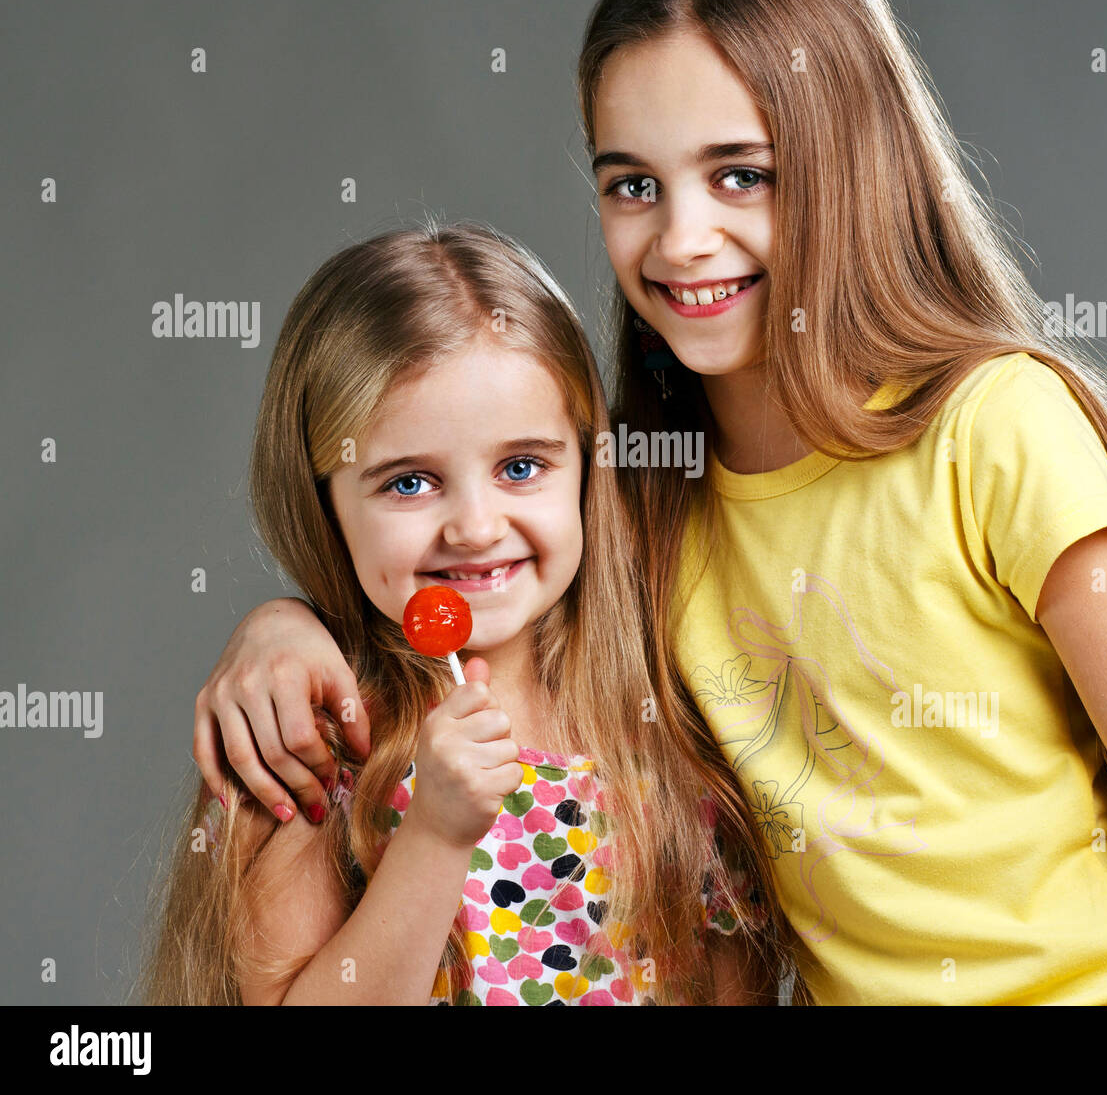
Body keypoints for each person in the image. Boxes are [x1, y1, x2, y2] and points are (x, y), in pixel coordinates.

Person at [185, 0, 1107, 1005]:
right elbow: (456, 577)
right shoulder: (648, 495)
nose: (681, 240)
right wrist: (277, 631)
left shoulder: (995, 429)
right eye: (632, 184)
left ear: (850, 160)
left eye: (741, 175)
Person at [144, 221, 787, 1005]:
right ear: (323, 504)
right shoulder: (313, 740)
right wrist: (435, 834)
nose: (475, 528)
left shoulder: (669, 710)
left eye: (521, 466)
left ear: (588, 468)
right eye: (408, 482)